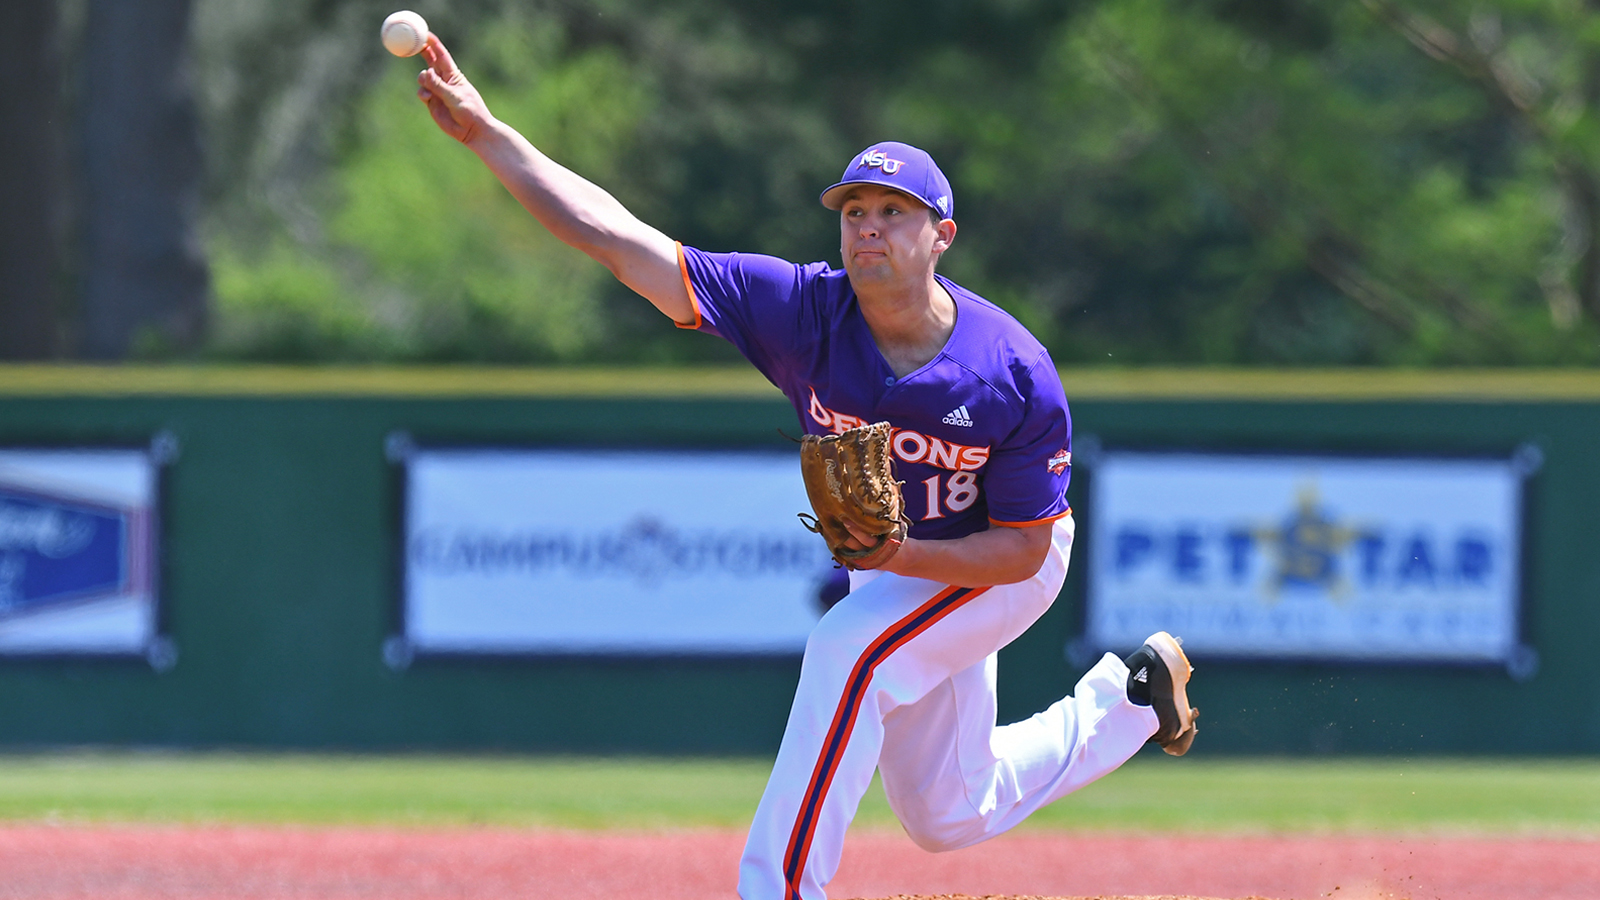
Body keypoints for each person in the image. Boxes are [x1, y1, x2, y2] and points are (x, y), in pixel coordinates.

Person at [411, 34, 1198, 900]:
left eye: (892, 211)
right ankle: (1131, 700)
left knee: (847, 652)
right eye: (854, 209)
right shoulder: (799, 310)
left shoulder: (1011, 371)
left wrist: (896, 559)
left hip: (1003, 558)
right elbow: (617, 239)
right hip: (901, 567)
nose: (868, 225)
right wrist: (488, 134)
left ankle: (777, 889)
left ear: (943, 235)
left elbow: (1019, 551)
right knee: (947, 815)